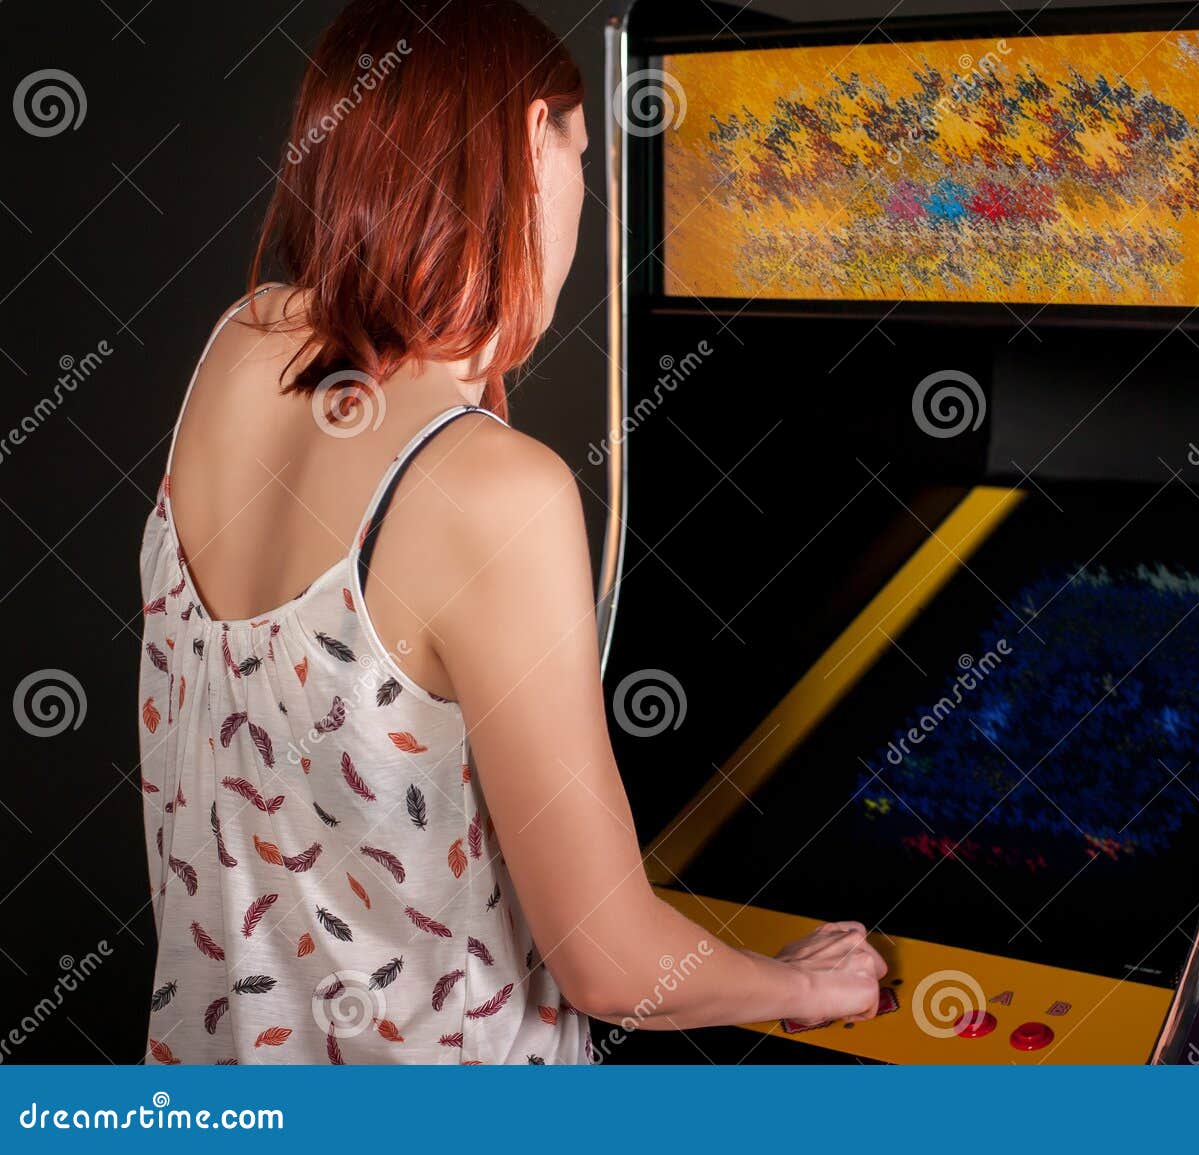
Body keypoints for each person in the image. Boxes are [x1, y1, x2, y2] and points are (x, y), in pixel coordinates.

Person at [137, 0, 884, 1066]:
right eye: (582, 156)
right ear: (535, 142)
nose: (587, 194)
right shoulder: (495, 492)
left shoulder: (239, 347)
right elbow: (612, 965)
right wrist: (797, 986)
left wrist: (477, 366)